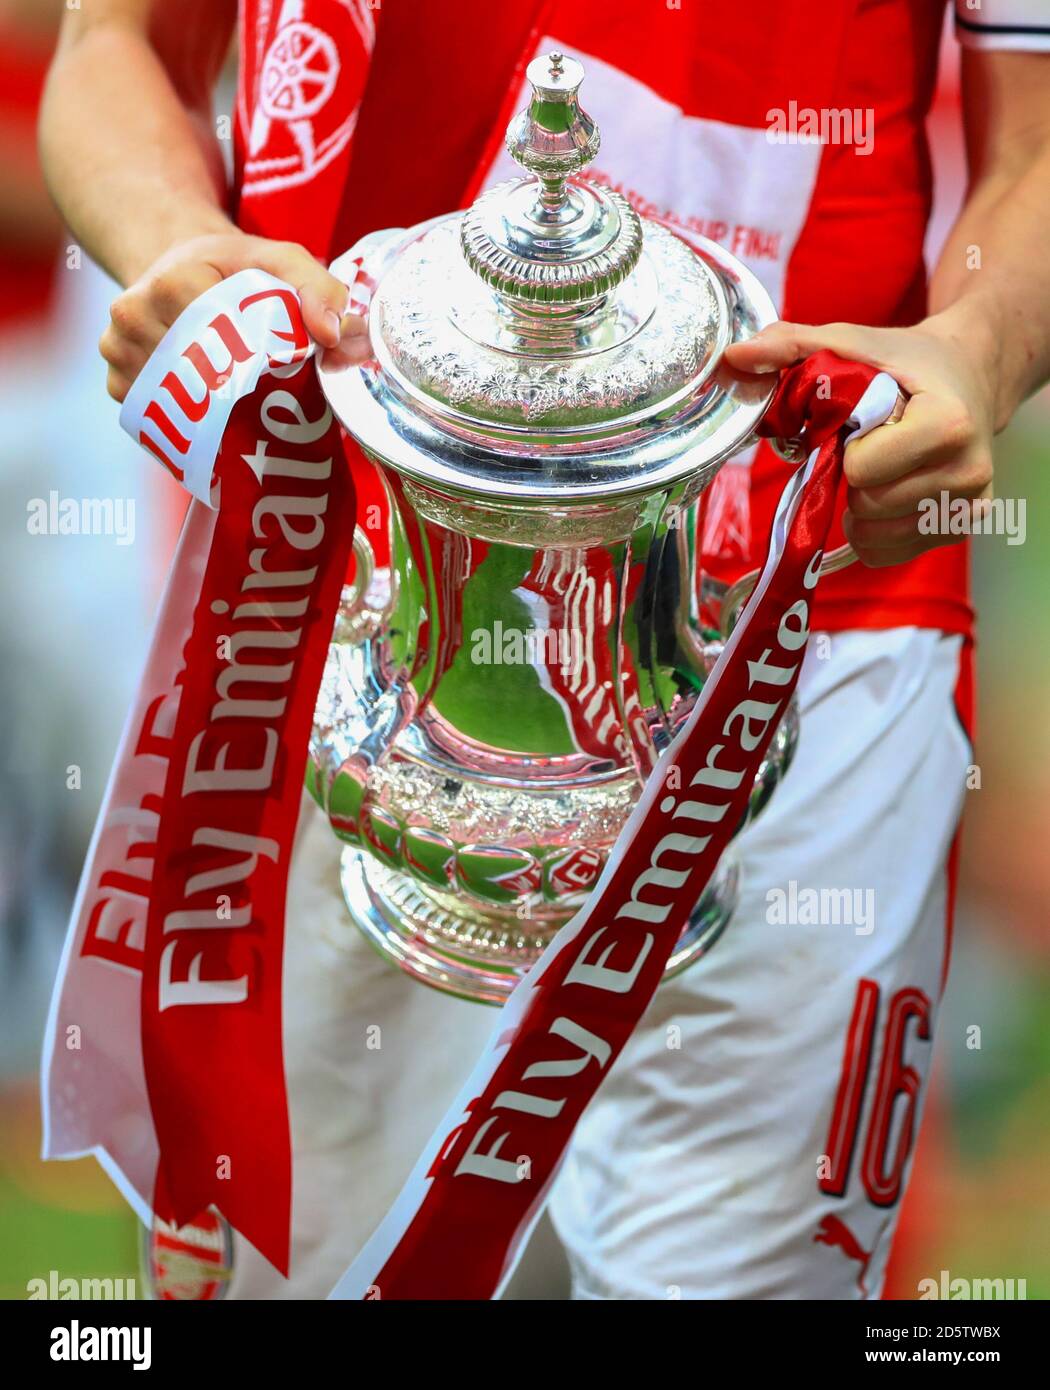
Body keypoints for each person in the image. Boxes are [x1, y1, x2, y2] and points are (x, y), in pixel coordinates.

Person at [38, 0, 1050, 1299]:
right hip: (348, 615)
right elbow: (113, 45)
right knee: (293, 1274)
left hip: (809, 596)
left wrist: (972, 352)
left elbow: (1033, 148)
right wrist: (174, 245)